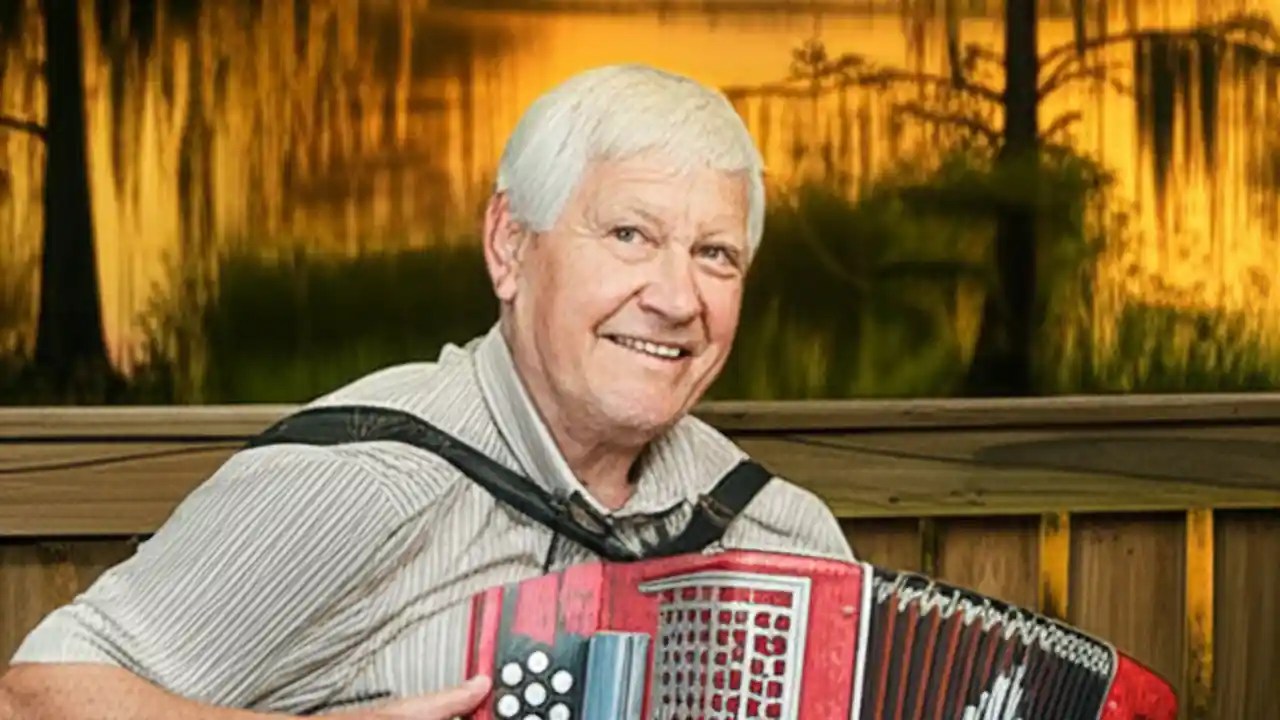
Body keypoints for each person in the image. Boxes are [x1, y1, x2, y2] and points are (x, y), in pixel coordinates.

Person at [0, 63, 854, 719]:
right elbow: (33, 699)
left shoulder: (778, 536)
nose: (676, 298)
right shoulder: (363, 483)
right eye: (630, 235)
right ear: (509, 247)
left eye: (716, 255)